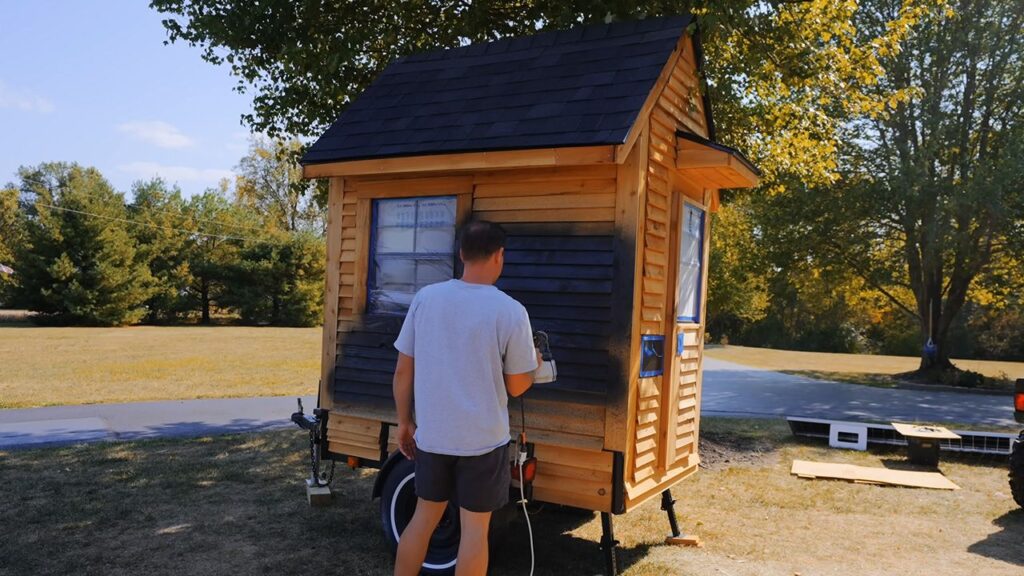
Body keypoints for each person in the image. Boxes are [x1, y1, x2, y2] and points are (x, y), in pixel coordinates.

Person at [391, 220, 539, 576]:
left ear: (461, 254)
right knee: (475, 532)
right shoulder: (510, 310)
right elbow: (518, 386)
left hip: (433, 435)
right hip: (483, 441)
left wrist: (404, 422)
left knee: (423, 519)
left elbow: (402, 372)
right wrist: (531, 363)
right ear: (499, 256)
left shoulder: (426, 299)